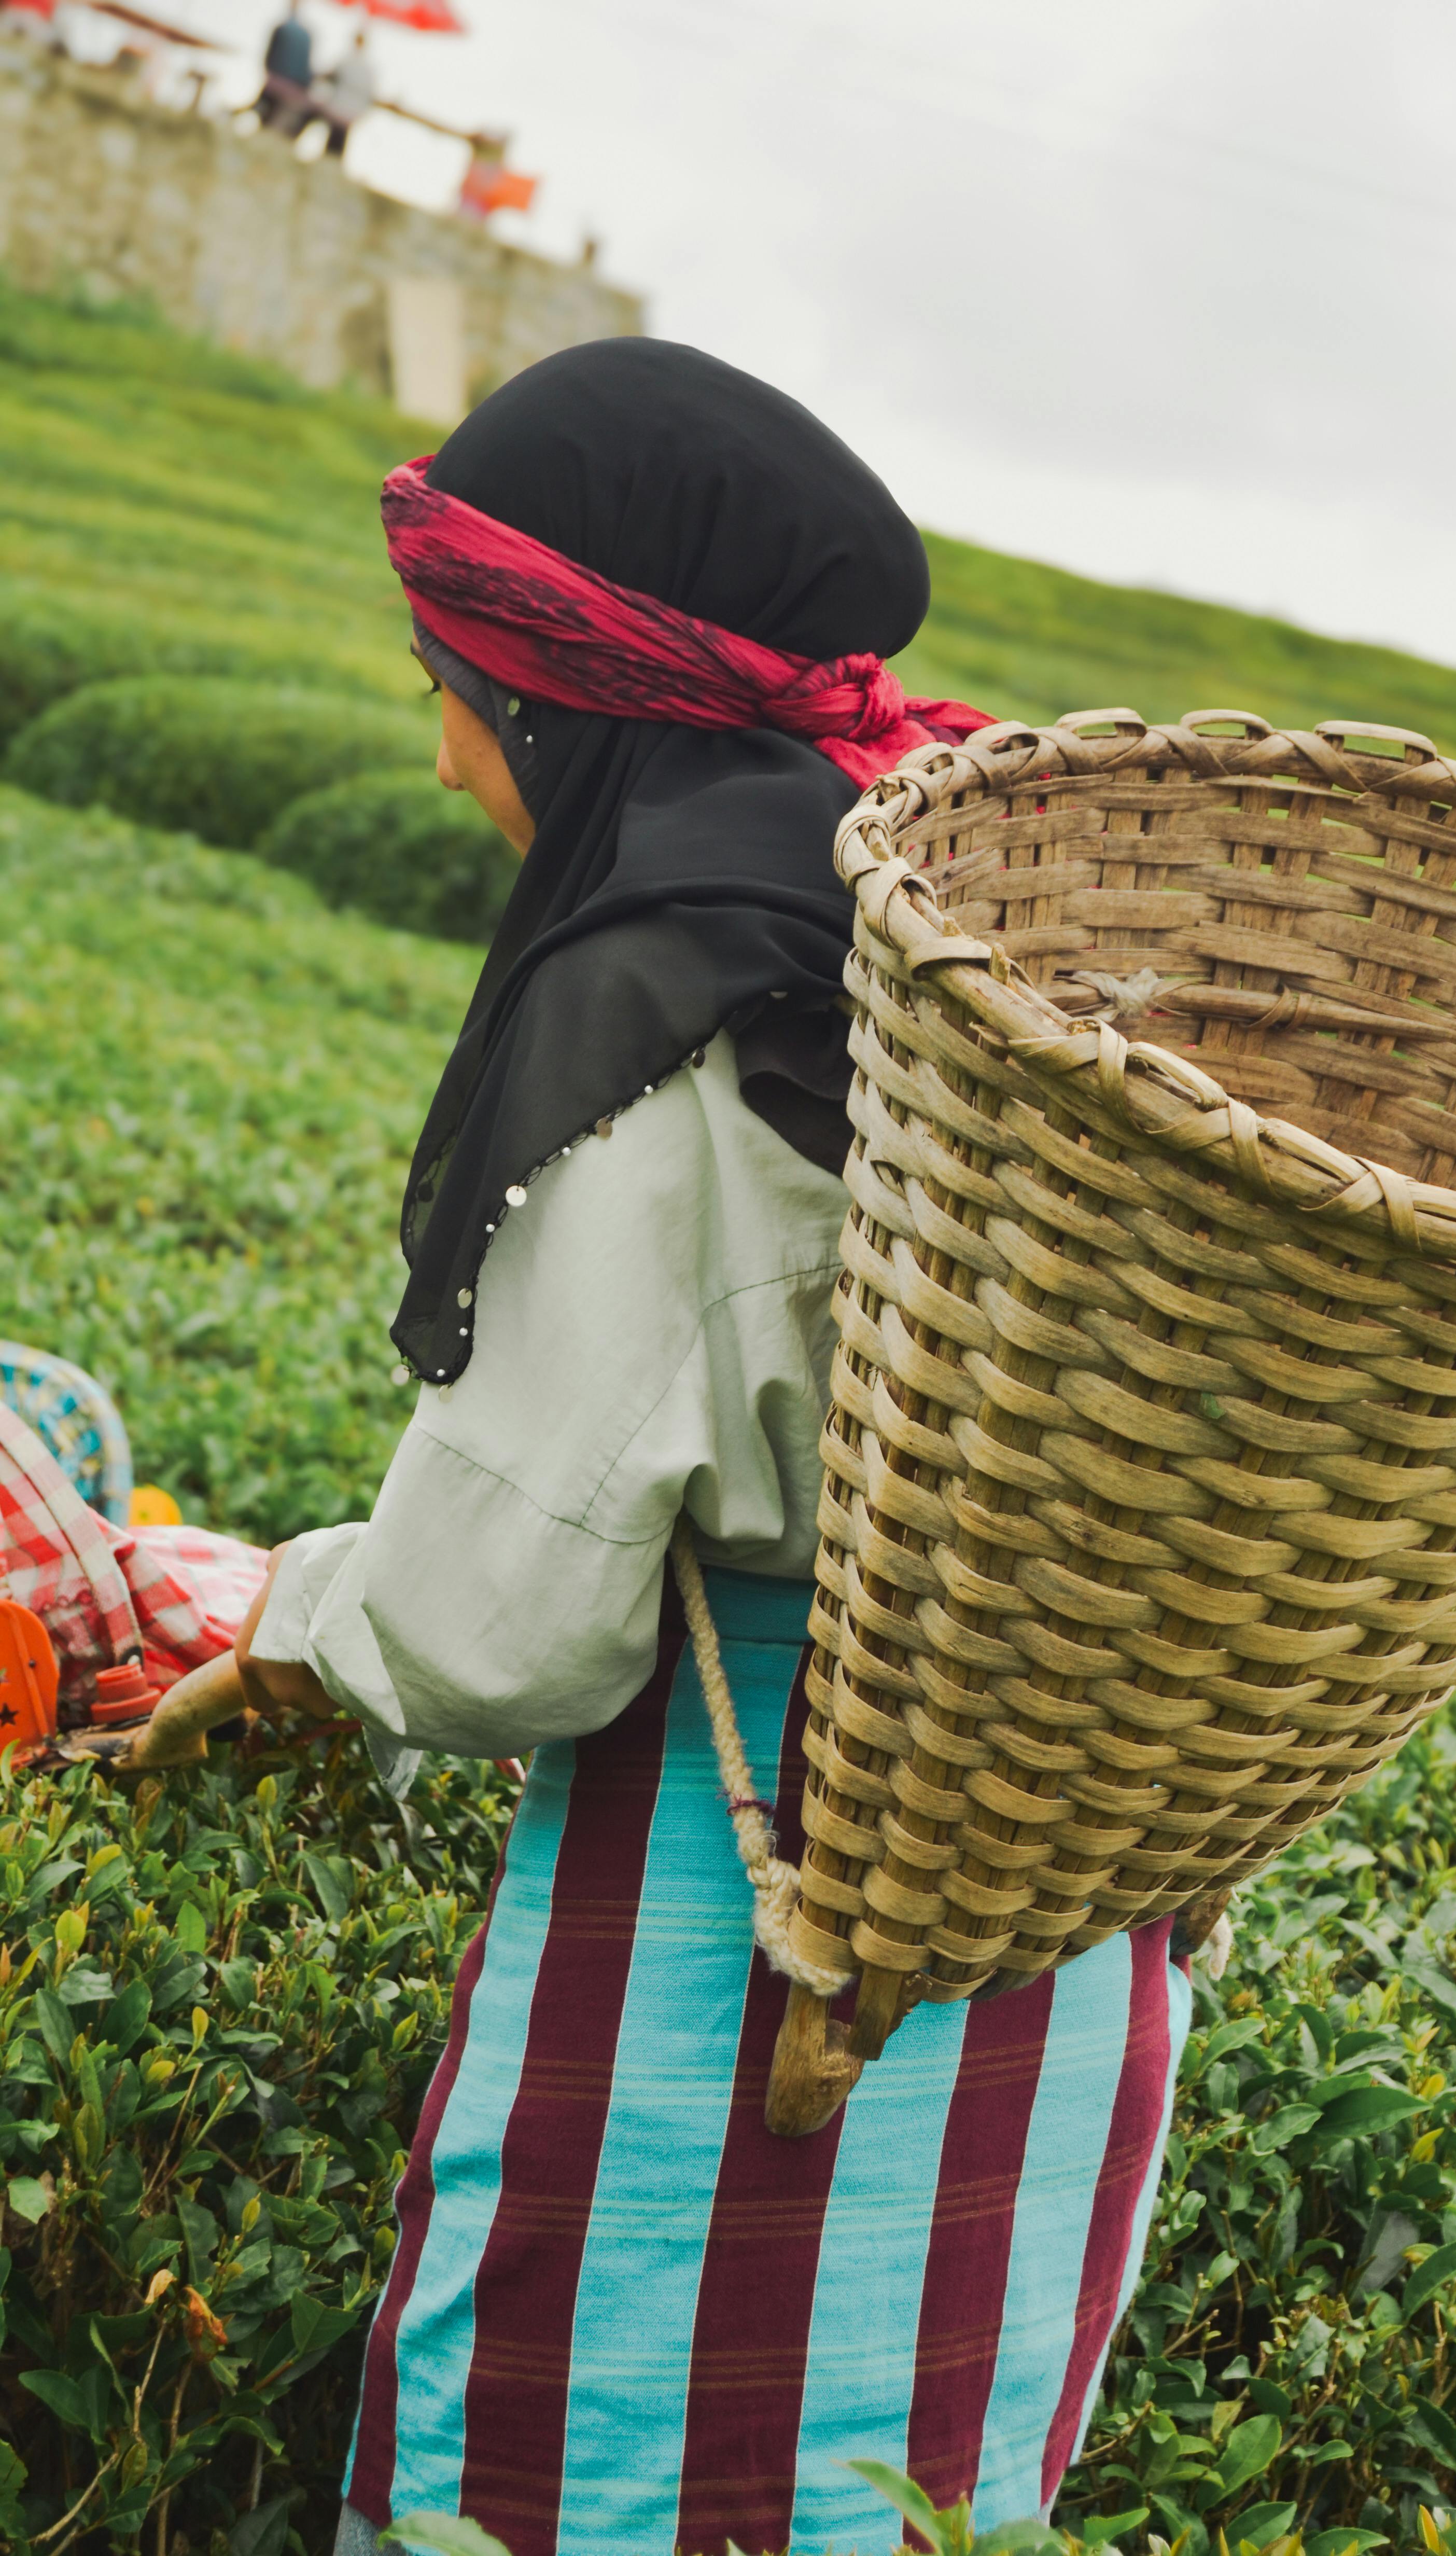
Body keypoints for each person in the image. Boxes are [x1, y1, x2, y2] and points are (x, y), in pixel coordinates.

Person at [200, 340, 1192, 2556]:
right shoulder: (950, 964)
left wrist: (284, 1606)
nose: (432, 741)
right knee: (913, 2490)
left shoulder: (671, 1031)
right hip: (1046, 1958)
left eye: (442, 677)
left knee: (570, 2493)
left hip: (736, 1970)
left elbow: (499, 1636)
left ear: (554, 702)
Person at [315, 26, 374, 159]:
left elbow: (328, 75)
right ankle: (331, 163)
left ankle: (327, 162)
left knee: (333, 142)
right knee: (339, 144)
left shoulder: (346, 60)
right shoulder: (369, 68)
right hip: (352, 114)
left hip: (338, 109)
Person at [256, 0, 310, 133]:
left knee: (265, 117)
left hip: (274, 83)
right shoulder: (306, 36)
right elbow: (306, 70)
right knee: (276, 122)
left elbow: (268, 58)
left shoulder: (282, 29)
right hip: (292, 88)